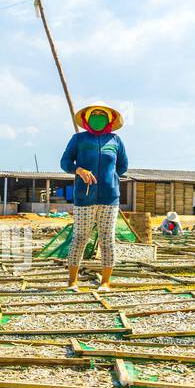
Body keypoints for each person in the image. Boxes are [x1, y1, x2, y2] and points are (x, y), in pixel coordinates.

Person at [60, 102, 128, 291]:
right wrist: (79, 170)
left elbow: (123, 166)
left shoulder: (115, 141)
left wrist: (111, 179)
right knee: (80, 238)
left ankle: (105, 282)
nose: (98, 116)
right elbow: (65, 161)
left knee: (108, 239)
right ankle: (72, 282)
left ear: (109, 118)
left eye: (102, 113)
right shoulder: (79, 139)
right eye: (94, 113)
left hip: (110, 198)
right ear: (87, 118)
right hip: (84, 197)